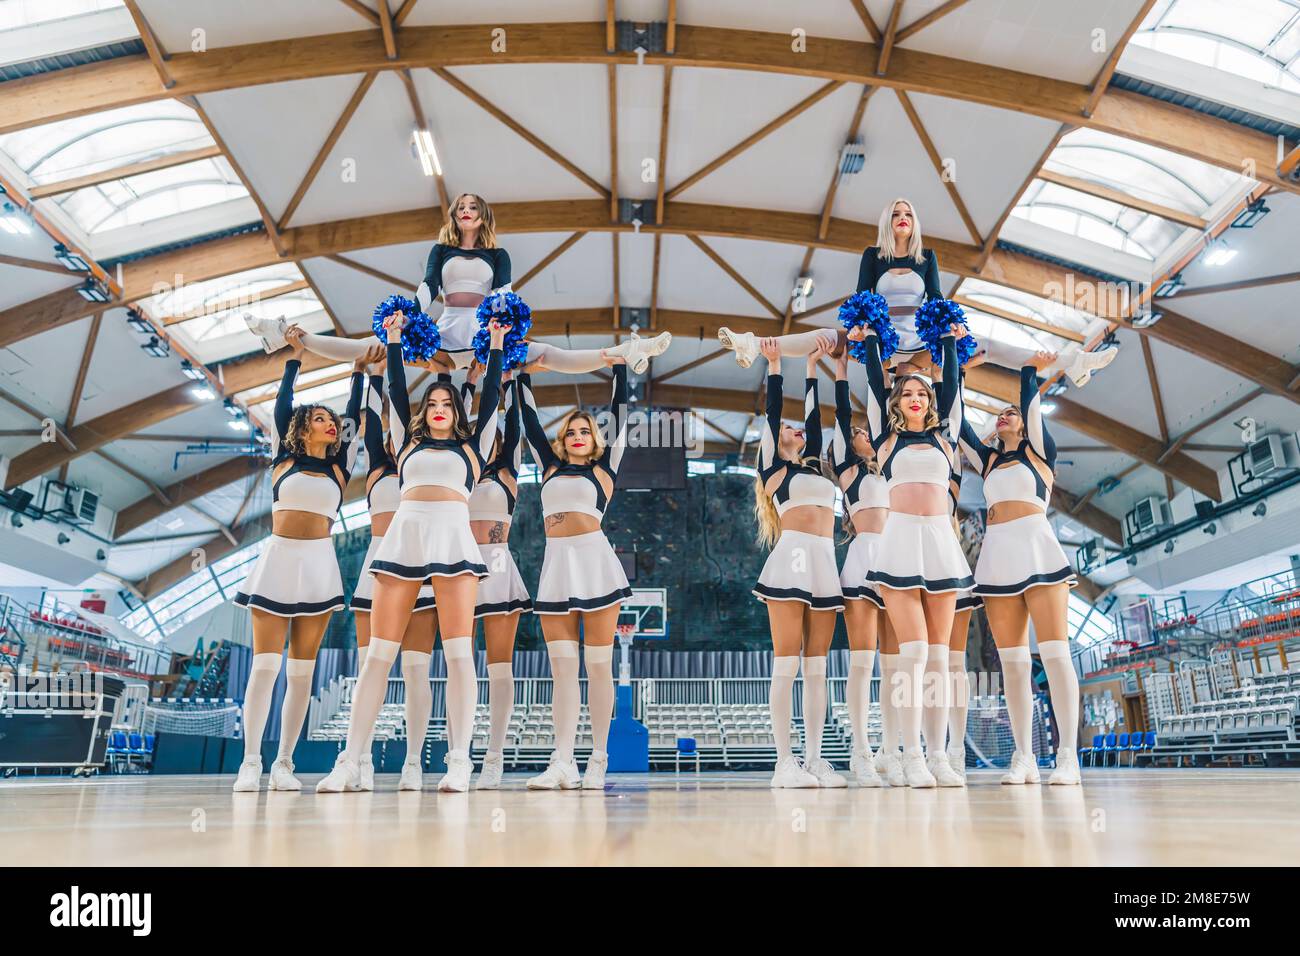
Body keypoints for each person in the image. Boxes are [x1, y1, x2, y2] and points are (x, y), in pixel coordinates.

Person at [316, 315, 508, 794]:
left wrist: (499, 347)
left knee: (460, 656)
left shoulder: (475, 446)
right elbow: (396, 391)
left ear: (457, 412)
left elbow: (490, 408)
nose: (440, 407)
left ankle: (459, 759)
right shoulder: (404, 442)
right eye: (433, 403)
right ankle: (350, 759)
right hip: (403, 540)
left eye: (447, 403)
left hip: (453, 545)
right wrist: (396, 340)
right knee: (379, 656)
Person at [244, 194, 671, 375]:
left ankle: (623, 351)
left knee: (547, 354)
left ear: (482, 216)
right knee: (367, 348)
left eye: (473, 207)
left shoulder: (498, 256)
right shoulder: (441, 252)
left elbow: (502, 295)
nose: (466, 210)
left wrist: (498, 330)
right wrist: (408, 317)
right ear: (456, 215)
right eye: (461, 206)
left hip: (482, 331)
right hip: (446, 327)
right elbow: (428, 286)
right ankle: (285, 332)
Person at [231, 330, 375, 792]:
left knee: (301, 673)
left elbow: (354, 417)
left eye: (331, 421)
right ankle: (251, 761)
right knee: (264, 667)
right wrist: (295, 360)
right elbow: (281, 404)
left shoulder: (339, 466)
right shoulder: (282, 459)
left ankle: (284, 763)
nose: (331, 424)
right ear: (301, 427)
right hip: (277, 561)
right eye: (320, 419)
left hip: (317, 566)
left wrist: (359, 374)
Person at [853, 320, 971, 787]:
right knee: (913, 654)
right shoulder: (886, 439)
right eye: (905, 394)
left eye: (921, 392)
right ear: (896, 405)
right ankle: (910, 754)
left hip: (940, 543)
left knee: (940, 657)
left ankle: (939, 757)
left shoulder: (947, 436)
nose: (915, 398)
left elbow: (955, 389)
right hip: (899, 543)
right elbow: (870, 386)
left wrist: (948, 338)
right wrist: (871, 342)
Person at [959, 353, 1081, 785]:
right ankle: (1025, 756)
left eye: (1012, 413)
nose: (1006, 416)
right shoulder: (988, 461)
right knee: (1012, 665)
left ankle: (1068, 755)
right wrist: (957, 371)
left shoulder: (1042, 453)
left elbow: (1030, 403)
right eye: (1001, 414)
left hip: (1038, 550)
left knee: (1054, 653)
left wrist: (1029, 372)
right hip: (997, 558)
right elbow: (958, 425)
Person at [516, 362, 633, 790]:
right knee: (562, 671)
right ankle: (562, 761)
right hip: (556, 566)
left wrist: (619, 366)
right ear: (562, 441)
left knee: (597, 667)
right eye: (570, 433)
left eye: (584, 431)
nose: (578, 437)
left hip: (595, 564)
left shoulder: (604, 470)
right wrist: (519, 374)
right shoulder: (547, 467)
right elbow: (528, 421)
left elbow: (620, 415)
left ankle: (598, 760)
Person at [752, 339, 846, 788]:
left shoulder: (814, 470)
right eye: (791, 428)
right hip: (790, 561)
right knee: (786, 664)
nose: (798, 430)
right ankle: (783, 762)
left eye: (800, 428)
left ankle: (815, 758)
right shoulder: (774, 470)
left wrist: (812, 367)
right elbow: (773, 418)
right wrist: (775, 365)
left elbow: (815, 421)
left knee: (817, 667)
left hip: (824, 563)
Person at [829, 348, 887, 787]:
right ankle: (861, 750)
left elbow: (886, 410)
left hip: (900, 559)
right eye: (858, 432)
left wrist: (880, 366)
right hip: (863, 560)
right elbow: (840, 413)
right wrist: (842, 369)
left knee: (900, 663)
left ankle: (893, 747)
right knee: (862, 663)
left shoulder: (893, 463)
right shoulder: (849, 472)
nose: (865, 433)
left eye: (869, 430)